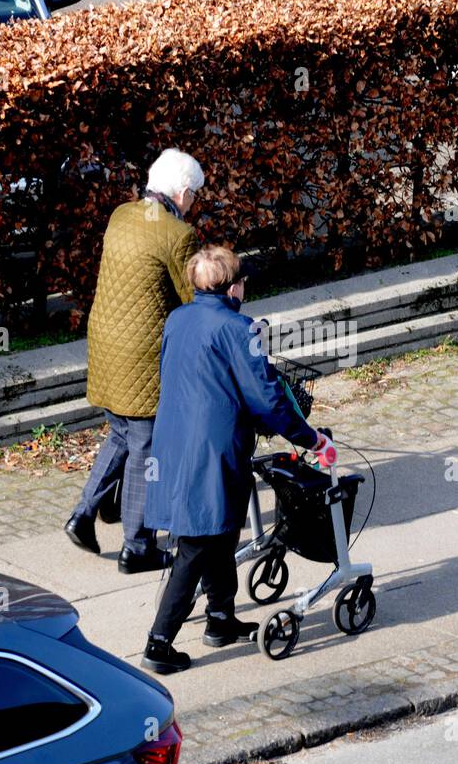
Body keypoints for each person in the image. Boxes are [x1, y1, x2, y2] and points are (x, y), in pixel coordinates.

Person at [140, 246, 337, 674]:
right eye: (244, 281)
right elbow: (267, 398)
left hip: (175, 440)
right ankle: (158, 644)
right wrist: (311, 438)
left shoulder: (179, 319)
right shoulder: (239, 328)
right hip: (212, 449)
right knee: (195, 543)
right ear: (233, 286)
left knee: (222, 532)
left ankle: (220, 618)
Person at [63, 149, 203, 574]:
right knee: (145, 448)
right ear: (181, 193)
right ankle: (137, 546)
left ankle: (83, 515)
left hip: (106, 345)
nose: (195, 202)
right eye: (195, 194)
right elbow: (193, 298)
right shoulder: (177, 236)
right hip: (141, 356)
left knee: (122, 433)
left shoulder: (121, 216)